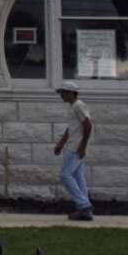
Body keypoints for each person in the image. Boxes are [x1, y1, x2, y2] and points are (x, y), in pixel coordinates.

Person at [53, 79, 93, 221]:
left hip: (76, 148)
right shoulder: (72, 107)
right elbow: (71, 128)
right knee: (78, 178)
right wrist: (60, 143)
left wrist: (82, 146)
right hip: (72, 146)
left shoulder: (78, 105)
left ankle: (84, 205)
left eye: (63, 93)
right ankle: (85, 211)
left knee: (65, 175)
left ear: (71, 93)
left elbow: (88, 126)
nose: (61, 96)